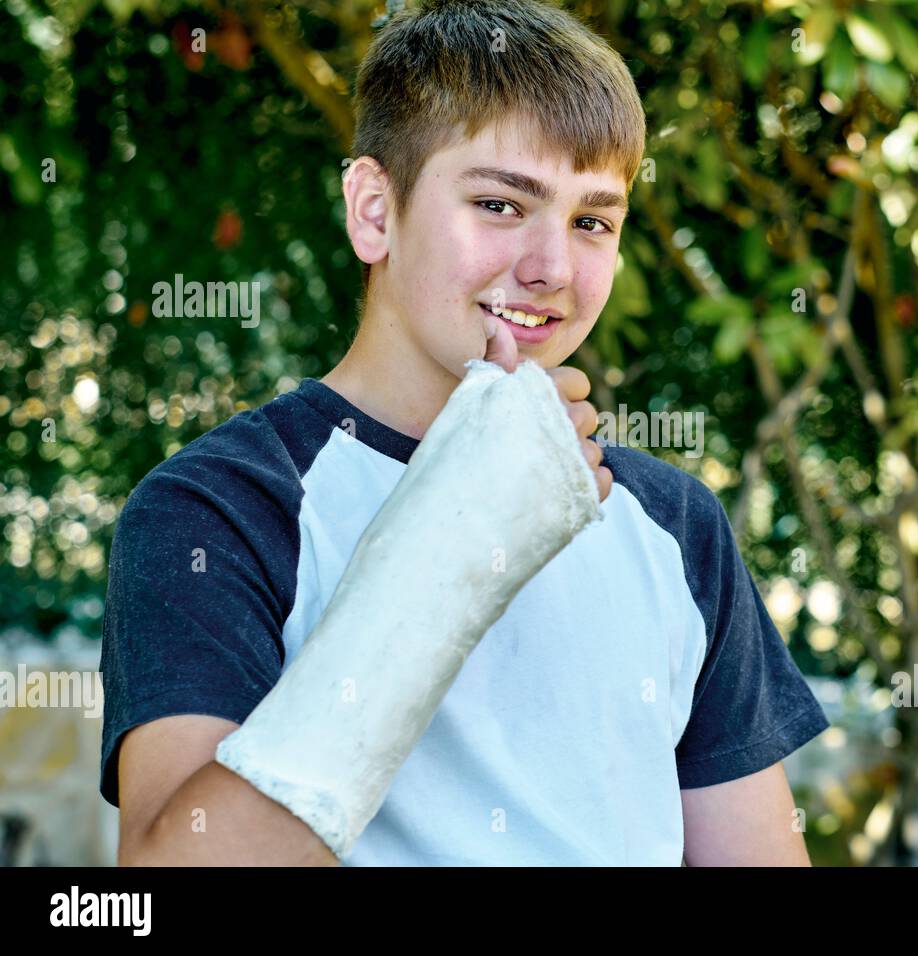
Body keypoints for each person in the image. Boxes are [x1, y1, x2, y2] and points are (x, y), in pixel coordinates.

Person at [99, 0, 830, 866]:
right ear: (374, 210)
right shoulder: (218, 510)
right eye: (499, 203)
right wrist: (452, 543)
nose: (552, 266)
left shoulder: (674, 525)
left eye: (592, 219)